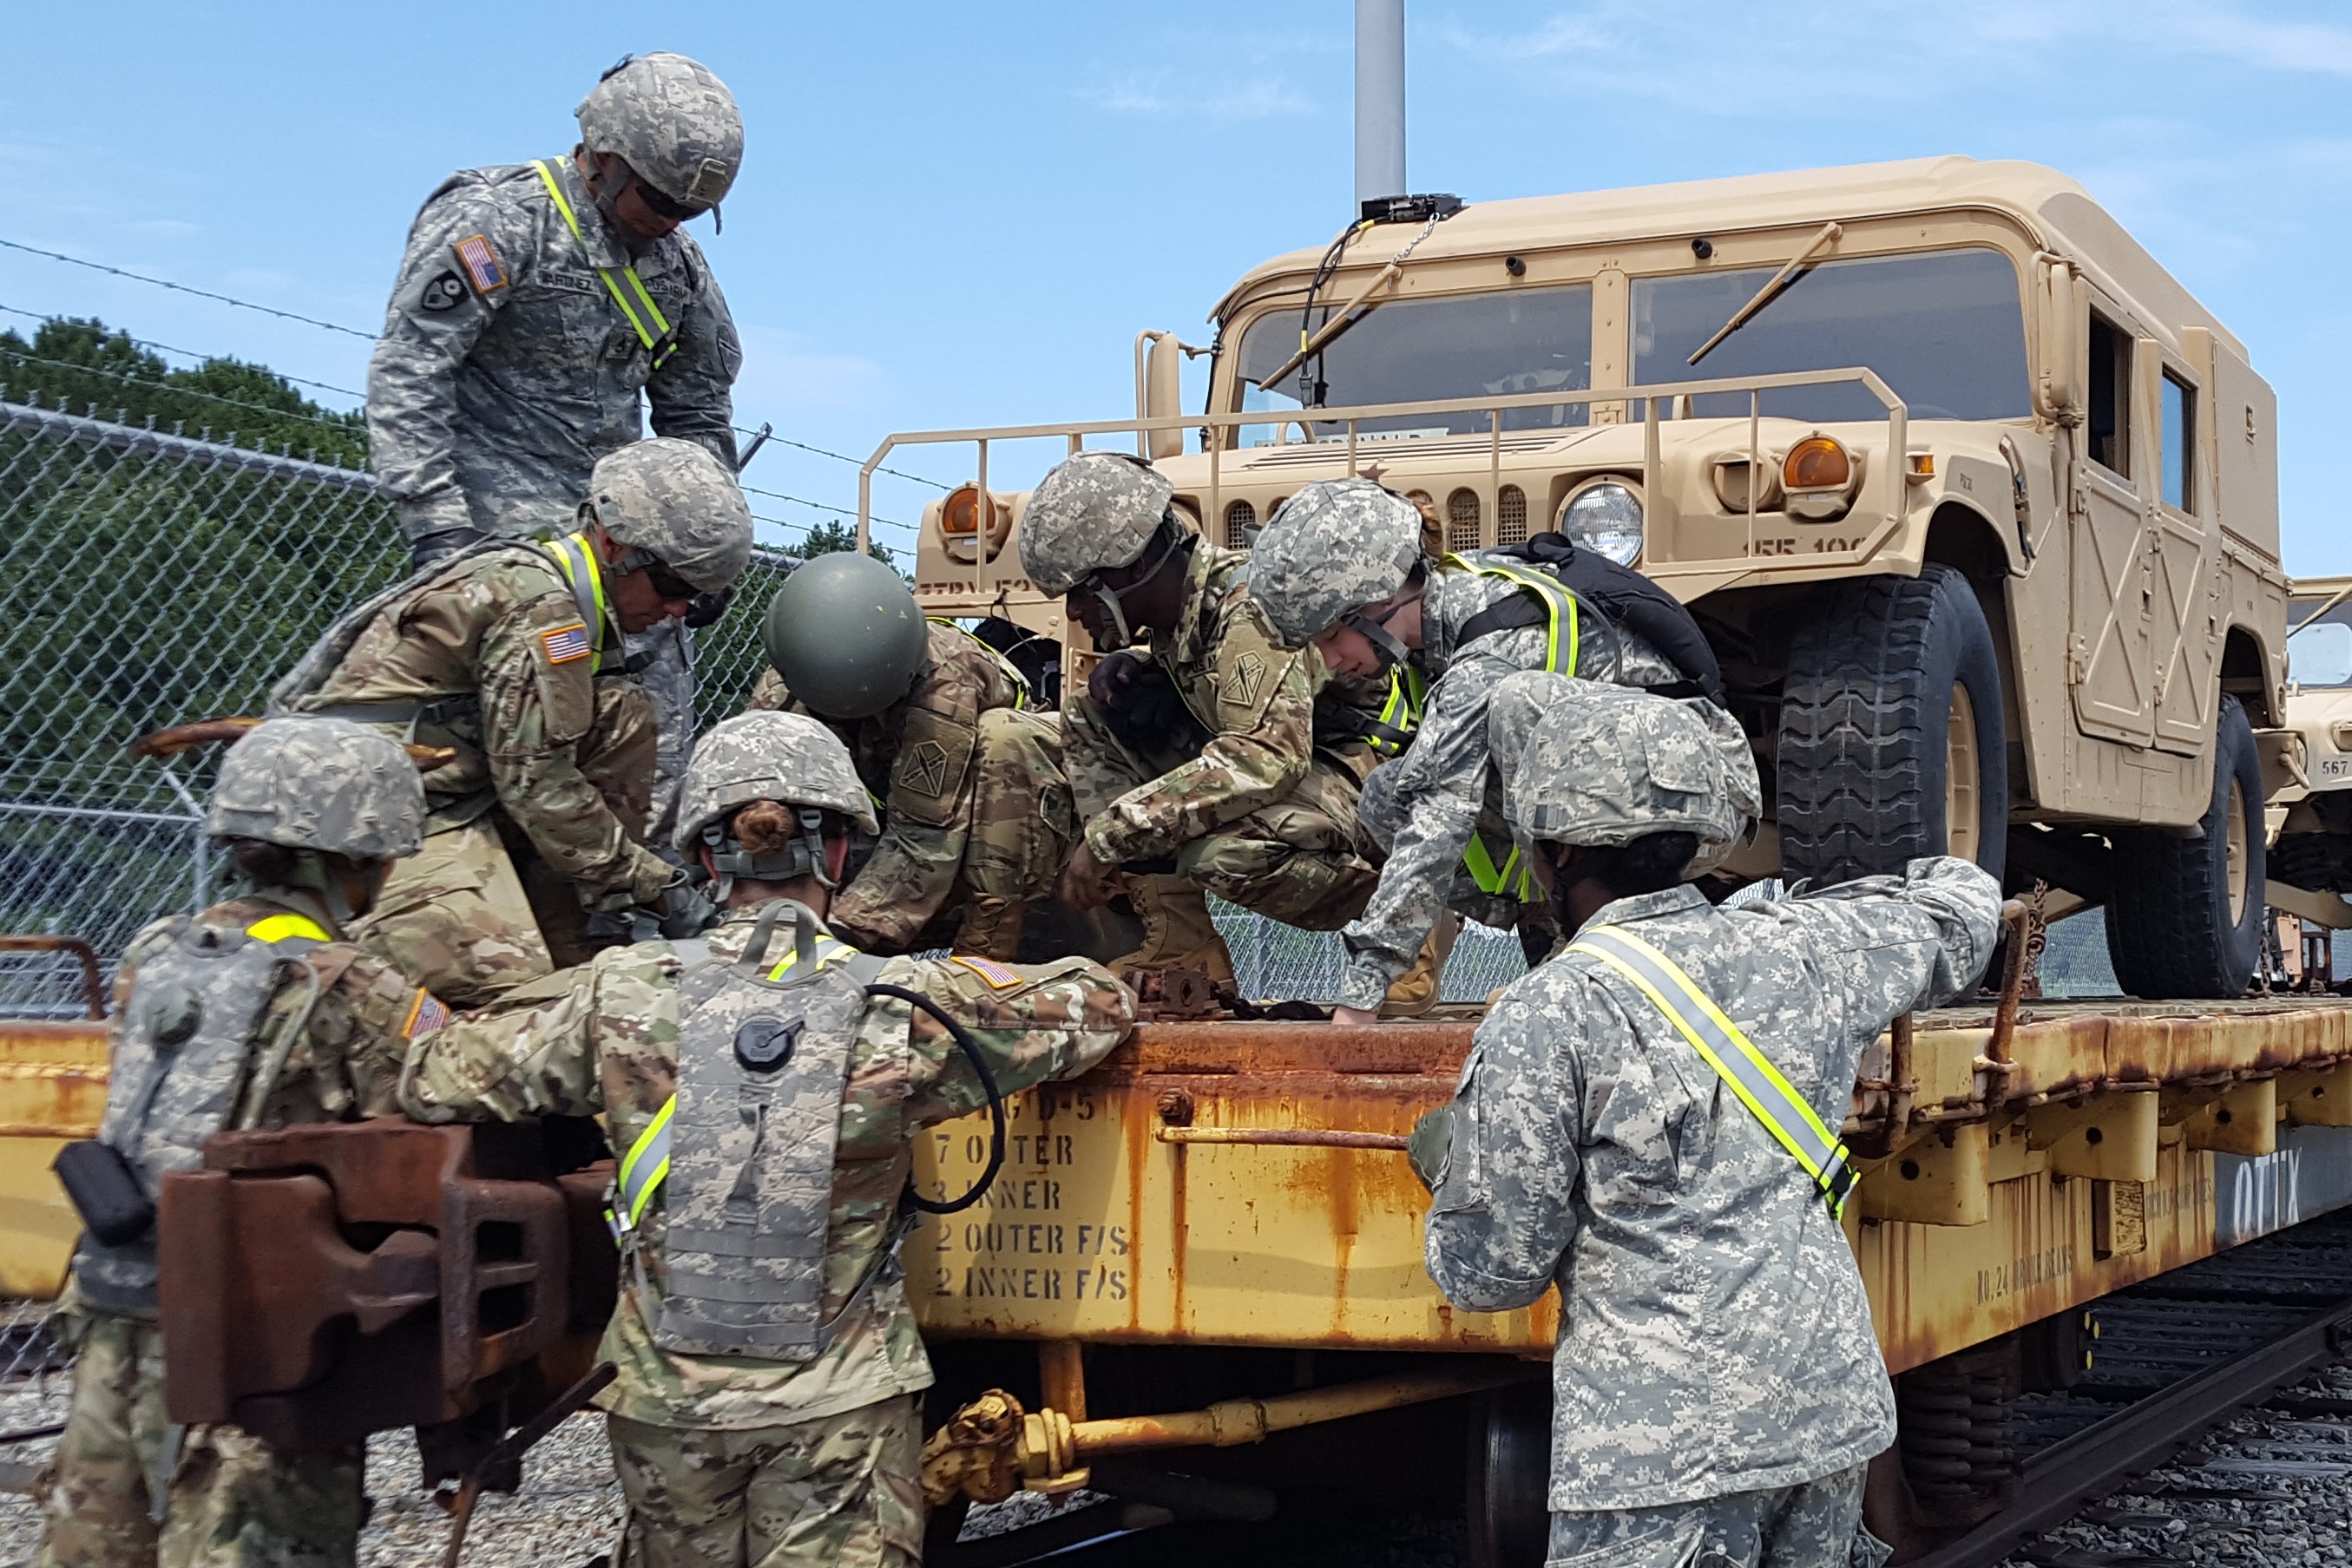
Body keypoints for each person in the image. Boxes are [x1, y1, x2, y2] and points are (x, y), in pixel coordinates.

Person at [385, 710, 1135, 1567]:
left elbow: (439, 1072)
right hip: (836, 1405)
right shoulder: (905, 1005)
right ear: (844, 853)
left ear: (705, 856)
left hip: (668, 1406)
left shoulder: (621, 993)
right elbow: (1099, 1006)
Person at [1414, 679, 2003, 1567]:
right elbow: (1962, 906)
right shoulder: (1809, 947)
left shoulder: (1549, 1012)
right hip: (1825, 1417)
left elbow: (1491, 1272)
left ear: (1559, 850)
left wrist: (1448, 1167)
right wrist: (1819, 894)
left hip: (1659, 1460)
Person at [37, 718, 449, 1568]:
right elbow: (446, 1082)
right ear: (359, 850)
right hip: (254, 1334)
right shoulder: (345, 981)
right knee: (253, 1538)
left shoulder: (155, 953)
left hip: (120, 1295)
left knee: (98, 1532)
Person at [366, 50, 747, 832]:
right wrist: (437, 530)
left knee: (648, 764)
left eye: (688, 209)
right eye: (658, 198)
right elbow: (411, 371)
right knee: (483, 769)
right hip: (496, 546)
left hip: (627, 558)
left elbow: (698, 413)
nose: (670, 219)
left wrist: (706, 556)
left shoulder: (676, 271)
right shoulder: (500, 222)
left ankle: (628, 929)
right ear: (606, 157)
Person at [272, 438, 752, 1007]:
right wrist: (659, 888)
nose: (678, 612)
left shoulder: (574, 610)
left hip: (444, 800)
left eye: (700, 601)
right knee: (508, 1004)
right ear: (611, 542)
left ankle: (575, 936)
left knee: (623, 712)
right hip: (360, 814)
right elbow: (539, 788)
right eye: (673, 587)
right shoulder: (542, 608)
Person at [1246, 476, 1720, 1023]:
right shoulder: (1450, 613)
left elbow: (1439, 821)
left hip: (1690, 805)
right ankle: (1557, 947)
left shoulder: (1489, 651)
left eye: (1331, 637)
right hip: (1639, 803)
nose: (1329, 659)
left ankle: (1603, 957)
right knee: (1386, 794)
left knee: (1508, 716)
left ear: (1375, 603)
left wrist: (1361, 993)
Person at [1015, 449, 1381, 997]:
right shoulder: (1183, 622)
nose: (1073, 614)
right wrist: (1142, 666)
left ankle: (1410, 911)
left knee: (1222, 852)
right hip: (1312, 775)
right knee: (1090, 717)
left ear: (1131, 567)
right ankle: (1183, 944)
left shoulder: (1249, 608)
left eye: (1081, 592)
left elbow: (1264, 758)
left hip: (1373, 784)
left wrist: (1111, 836)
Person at [746, 550, 1072, 959]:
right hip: (906, 815)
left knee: (1003, 739)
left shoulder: (946, 682)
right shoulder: (797, 674)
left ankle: (984, 953)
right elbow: (752, 803)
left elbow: (925, 834)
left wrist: (839, 940)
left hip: (1010, 819)